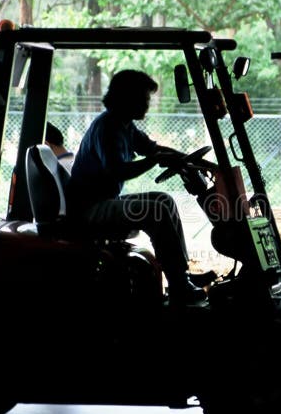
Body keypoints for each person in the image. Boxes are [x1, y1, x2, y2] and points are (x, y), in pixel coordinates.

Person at [66, 69, 208, 307]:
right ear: (127, 98)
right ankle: (179, 285)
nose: (147, 104)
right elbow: (118, 171)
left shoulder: (124, 125)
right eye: (144, 98)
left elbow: (153, 149)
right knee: (156, 211)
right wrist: (154, 161)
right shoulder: (107, 128)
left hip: (103, 201)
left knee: (163, 200)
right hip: (89, 209)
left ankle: (180, 275)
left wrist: (188, 159)